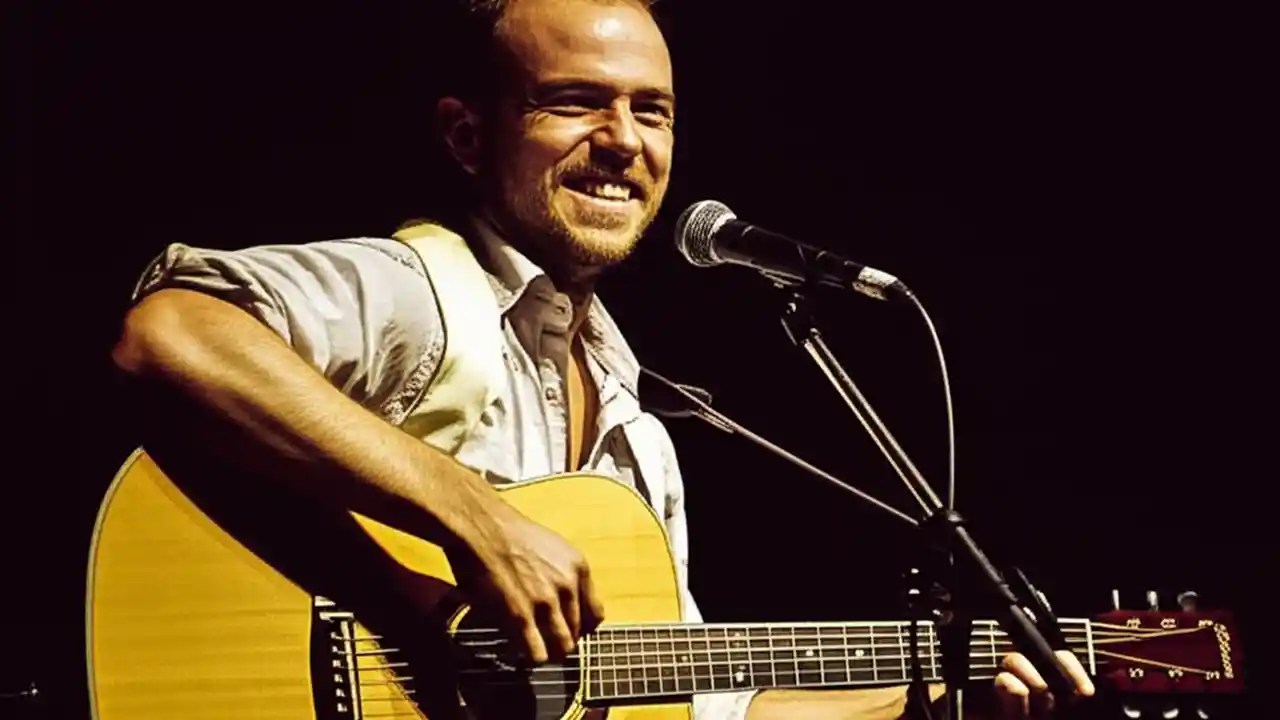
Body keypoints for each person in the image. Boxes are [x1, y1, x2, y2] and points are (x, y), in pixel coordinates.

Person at [109, 0, 1095, 717]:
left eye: (651, 111)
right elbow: (171, 334)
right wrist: (474, 521)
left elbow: (705, 704)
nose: (623, 140)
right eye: (575, 102)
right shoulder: (418, 295)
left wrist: (927, 703)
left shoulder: (640, 430)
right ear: (466, 135)